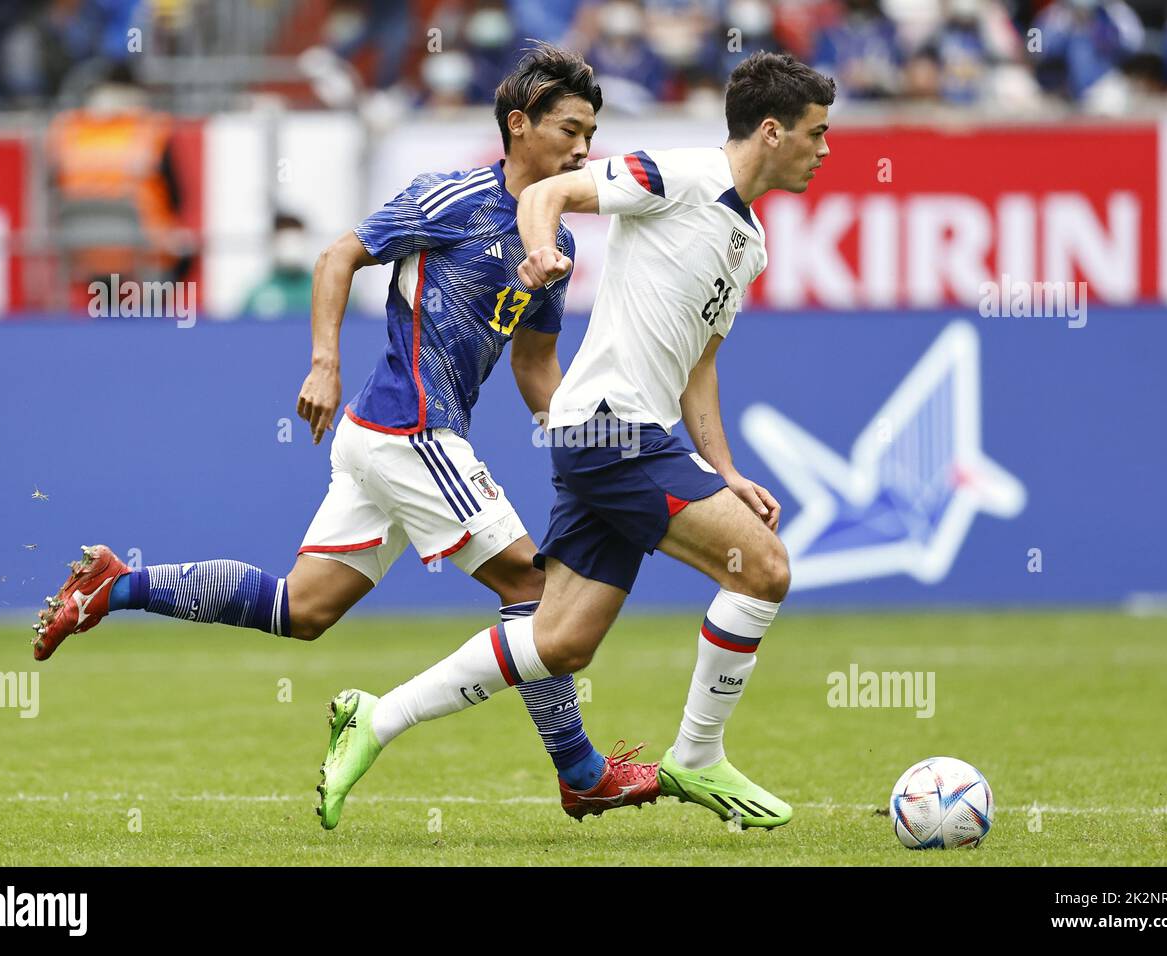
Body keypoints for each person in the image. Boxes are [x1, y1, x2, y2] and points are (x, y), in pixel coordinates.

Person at [30, 45, 661, 828]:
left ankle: (116, 585)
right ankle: (581, 773)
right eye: (569, 128)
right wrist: (324, 362)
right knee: (534, 594)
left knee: (302, 610)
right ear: (518, 124)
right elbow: (340, 255)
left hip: (387, 438)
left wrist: (578, 445)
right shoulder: (453, 197)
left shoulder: (556, 245)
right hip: (407, 428)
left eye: (591, 131)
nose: (583, 148)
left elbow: (536, 363)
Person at [319, 51, 836, 830]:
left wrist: (721, 469)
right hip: (608, 426)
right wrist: (538, 248)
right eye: (817, 133)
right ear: (773, 131)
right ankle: (697, 756)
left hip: (624, 431)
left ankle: (374, 719)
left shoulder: (749, 241)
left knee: (558, 643)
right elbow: (556, 192)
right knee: (763, 568)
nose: (825, 150)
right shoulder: (678, 174)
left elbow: (700, 371)